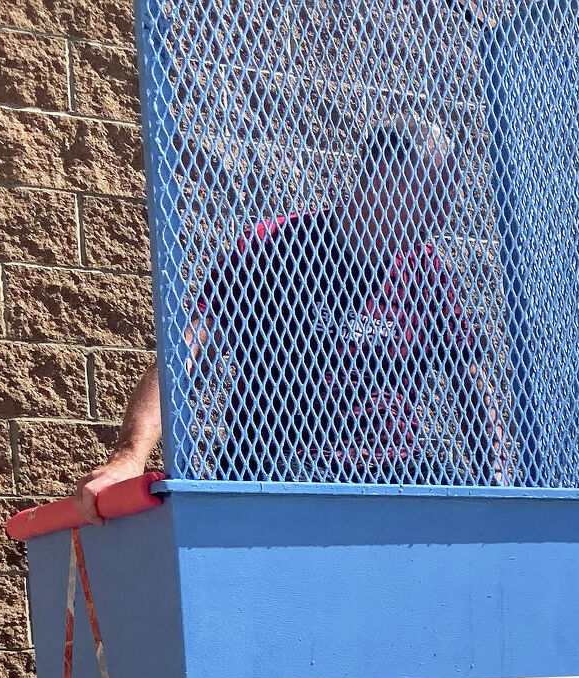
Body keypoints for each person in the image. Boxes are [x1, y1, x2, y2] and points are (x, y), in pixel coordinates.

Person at [70, 120, 505, 519]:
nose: (442, 215)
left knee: (456, 497)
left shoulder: (425, 268)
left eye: (447, 198)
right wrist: (130, 457)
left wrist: (501, 479)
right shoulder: (272, 247)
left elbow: (467, 375)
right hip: (283, 461)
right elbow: (186, 354)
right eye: (432, 196)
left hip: (393, 470)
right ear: (379, 181)